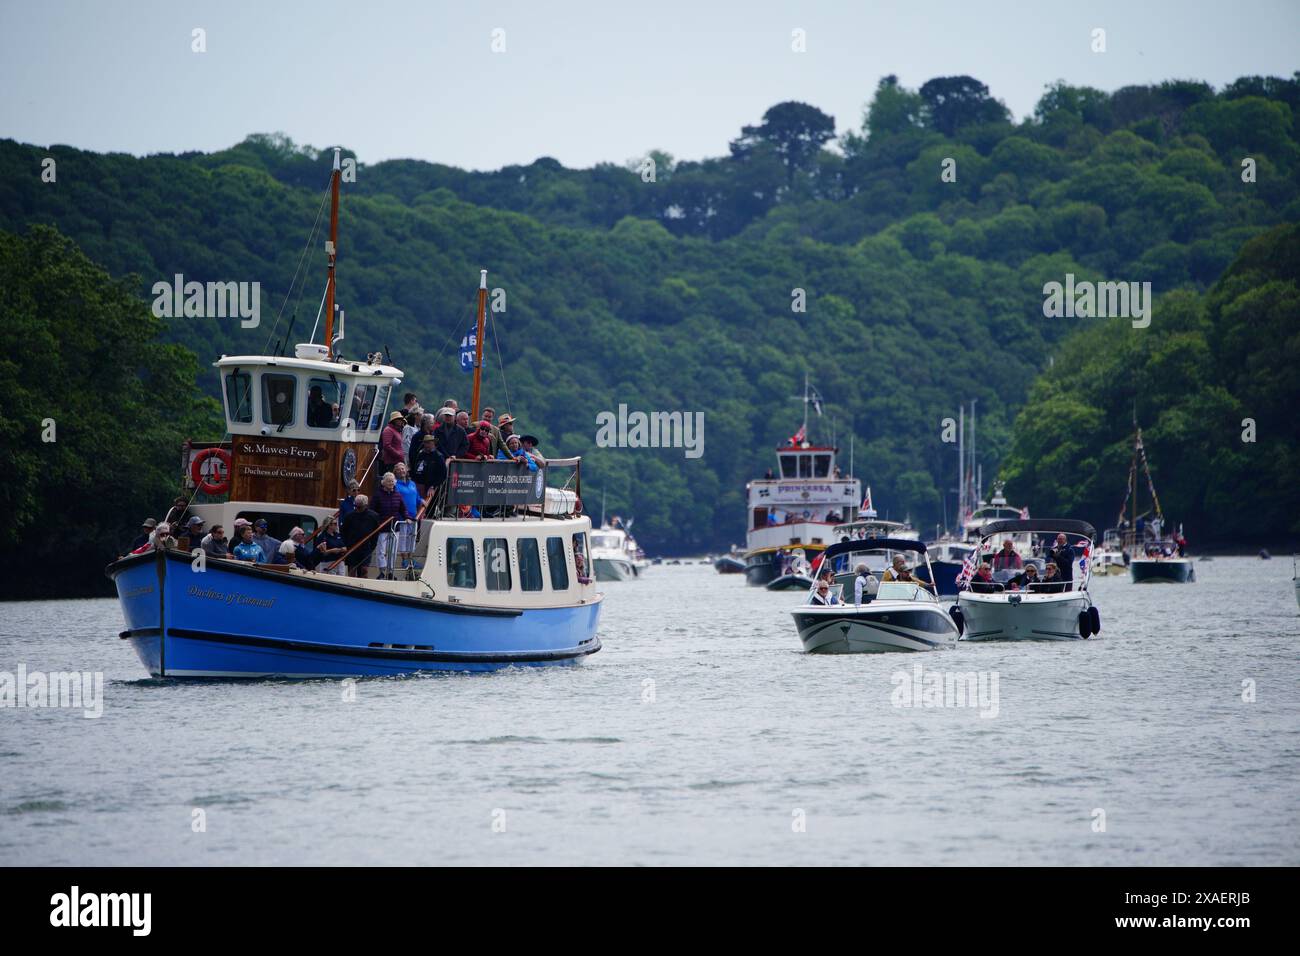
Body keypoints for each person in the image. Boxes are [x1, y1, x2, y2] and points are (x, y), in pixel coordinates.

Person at [373, 474, 410, 579]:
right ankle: (382, 572)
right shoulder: (377, 495)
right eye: (388, 481)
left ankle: (390, 572)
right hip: (382, 528)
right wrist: (376, 523)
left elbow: (403, 509)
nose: (391, 483)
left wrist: (407, 517)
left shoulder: (398, 495)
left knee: (393, 552)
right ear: (383, 482)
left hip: (395, 527)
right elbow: (372, 510)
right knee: (381, 551)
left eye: (392, 481)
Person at [341, 494, 381, 577]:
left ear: (366, 505)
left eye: (360, 507)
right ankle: (350, 585)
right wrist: (346, 544)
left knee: (364, 569)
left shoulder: (374, 516)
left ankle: (363, 585)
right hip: (352, 546)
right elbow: (343, 531)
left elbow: (376, 532)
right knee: (352, 569)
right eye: (356, 506)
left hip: (366, 547)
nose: (357, 509)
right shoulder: (349, 516)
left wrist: (372, 545)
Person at [411, 433, 447, 500]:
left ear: (433, 443)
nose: (426, 445)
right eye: (425, 443)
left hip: (429, 486)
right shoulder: (420, 454)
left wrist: (433, 486)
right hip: (417, 484)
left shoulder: (438, 456)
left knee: (427, 505)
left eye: (429, 443)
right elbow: (415, 467)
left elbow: (443, 474)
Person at [380, 411, 406, 478]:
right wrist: (398, 454)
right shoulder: (388, 430)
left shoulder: (397, 430)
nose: (401, 421)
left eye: (401, 419)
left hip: (398, 461)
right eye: (399, 419)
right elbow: (386, 445)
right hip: (391, 462)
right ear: (394, 420)